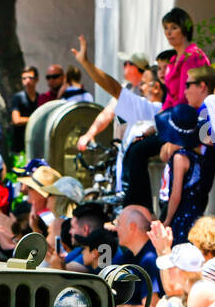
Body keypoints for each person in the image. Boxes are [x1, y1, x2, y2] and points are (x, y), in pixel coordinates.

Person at [71, 36, 165, 200]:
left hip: (141, 194)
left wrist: (87, 63)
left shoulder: (152, 109)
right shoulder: (148, 106)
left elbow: (113, 88)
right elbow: (108, 111)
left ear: (156, 87)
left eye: (145, 83)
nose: (142, 88)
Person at [157, 66, 215, 241]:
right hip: (190, 210)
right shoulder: (194, 152)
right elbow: (165, 153)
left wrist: (167, 219)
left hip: (186, 211)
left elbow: (176, 194)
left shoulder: (181, 157)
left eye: (188, 85)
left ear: (202, 86)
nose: (184, 90)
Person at [75, 52, 149, 152]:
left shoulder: (149, 91)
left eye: (125, 63)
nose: (124, 67)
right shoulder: (126, 88)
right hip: (123, 150)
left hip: (143, 153)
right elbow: (107, 113)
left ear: (134, 67)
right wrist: (89, 134)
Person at [159, 7, 210, 108]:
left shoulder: (191, 56)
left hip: (190, 116)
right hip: (176, 113)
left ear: (184, 29)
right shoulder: (173, 60)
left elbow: (184, 98)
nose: (168, 33)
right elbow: (169, 98)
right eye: (166, 28)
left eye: (174, 28)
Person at [113, 205, 161, 307]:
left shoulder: (150, 258)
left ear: (132, 227)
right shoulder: (127, 258)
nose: (116, 229)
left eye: (119, 224)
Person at [9, 66, 41, 154]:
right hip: (19, 146)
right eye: (24, 78)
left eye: (30, 78)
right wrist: (35, 119)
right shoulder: (18, 98)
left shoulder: (40, 98)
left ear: (36, 79)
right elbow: (16, 120)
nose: (27, 81)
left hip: (35, 142)